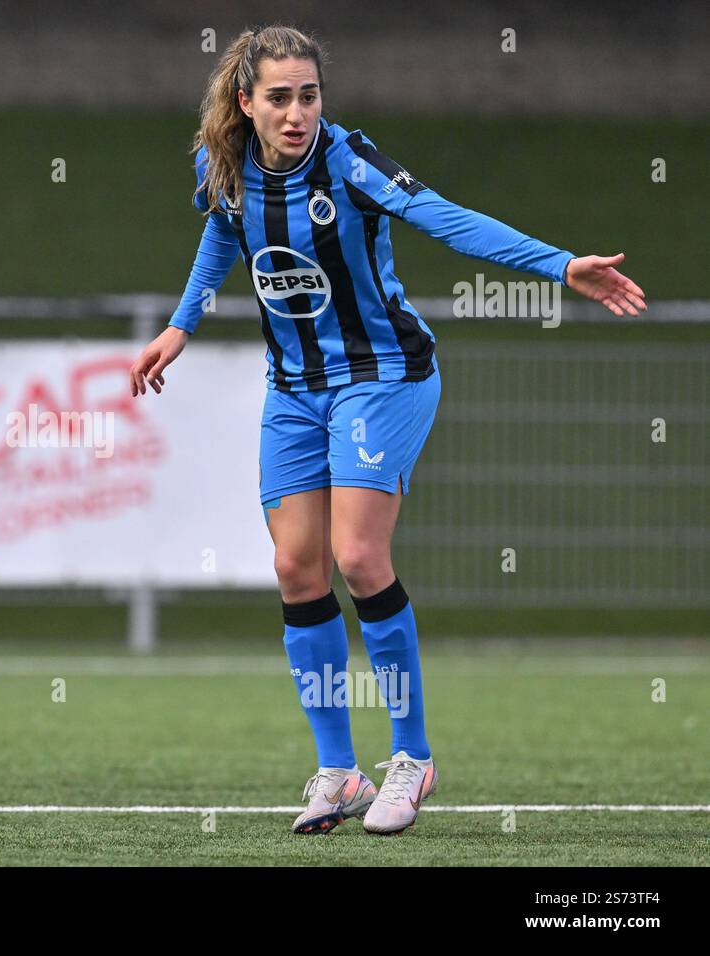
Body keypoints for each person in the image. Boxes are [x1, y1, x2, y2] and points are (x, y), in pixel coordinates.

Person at [129, 24, 645, 835]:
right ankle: (339, 773)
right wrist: (180, 325)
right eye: (279, 99)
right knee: (297, 567)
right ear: (246, 102)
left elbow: (447, 219)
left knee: (359, 557)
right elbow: (222, 233)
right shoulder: (223, 168)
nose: (297, 114)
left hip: (385, 377)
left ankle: (413, 758)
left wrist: (560, 264)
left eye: (309, 96)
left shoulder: (350, 162)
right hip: (295, 389)